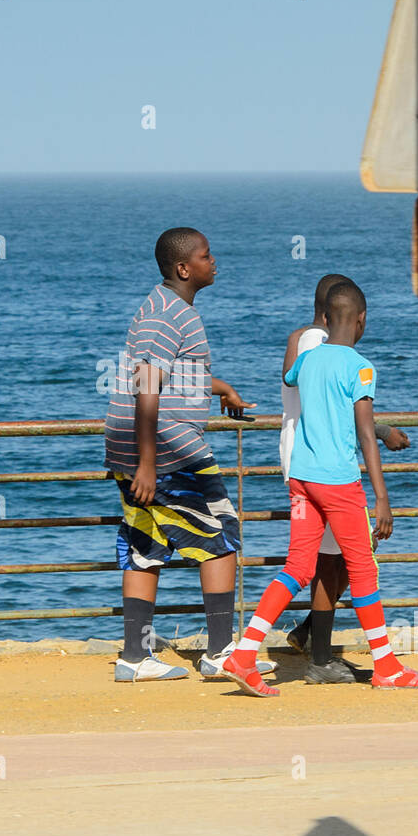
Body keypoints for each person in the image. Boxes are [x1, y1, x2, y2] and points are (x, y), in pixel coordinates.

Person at [222, 279, 418, 696]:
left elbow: (290, 375)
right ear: (362, 321)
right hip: (338, 481)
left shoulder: (308, 357)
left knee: (297, 567)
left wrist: (301, 342)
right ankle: (387, 666)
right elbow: (367, 434)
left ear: (327, 319)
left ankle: (243, 655)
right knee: (364, 569)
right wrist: (382, 497)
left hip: (301, 478)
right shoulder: (361, 367)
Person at [103, 227, 271, 683]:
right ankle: (221, 653)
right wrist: (148, 462)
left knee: (145, 545)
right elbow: (147, 386)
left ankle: (134, 659)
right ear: (183, 268)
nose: (213, 261)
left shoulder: (165, 308)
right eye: (205, 255)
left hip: (143, 446)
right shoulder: (167, 315)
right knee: (220, 530)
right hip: (170, 448)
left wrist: (221, 388)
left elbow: (174, 372)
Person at [280, 274, 411, 683]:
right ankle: (320, 657)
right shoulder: (319, 346)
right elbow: (343, 413)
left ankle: (308, 637)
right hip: (325, 465)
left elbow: (303, 393)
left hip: (301, 458)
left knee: (330, 559)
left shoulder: (299, 344)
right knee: (331, 561)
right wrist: (383, 434)